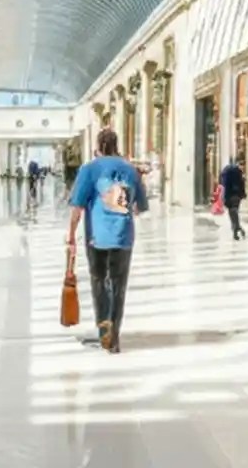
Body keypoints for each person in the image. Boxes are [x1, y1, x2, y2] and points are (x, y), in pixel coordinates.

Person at [66, 128, 148, 353]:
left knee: (100, 283)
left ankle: (105, 334)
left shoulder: (90, 169)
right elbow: (140, 206)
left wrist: (71, 235)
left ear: (98, 147)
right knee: (119, 286)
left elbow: (77, 207)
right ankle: (115, 337)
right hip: (123, 237)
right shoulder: (129, 169)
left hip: (97, 238)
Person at [220, 155, 247, 240]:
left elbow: (224, 184)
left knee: (232, 213)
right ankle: (237, 228)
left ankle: (236, 229)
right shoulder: (237, 172)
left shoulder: (226, 171)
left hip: (228, 195)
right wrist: (243, 194)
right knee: (234, 212)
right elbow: (241, 184)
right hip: (235, 195)